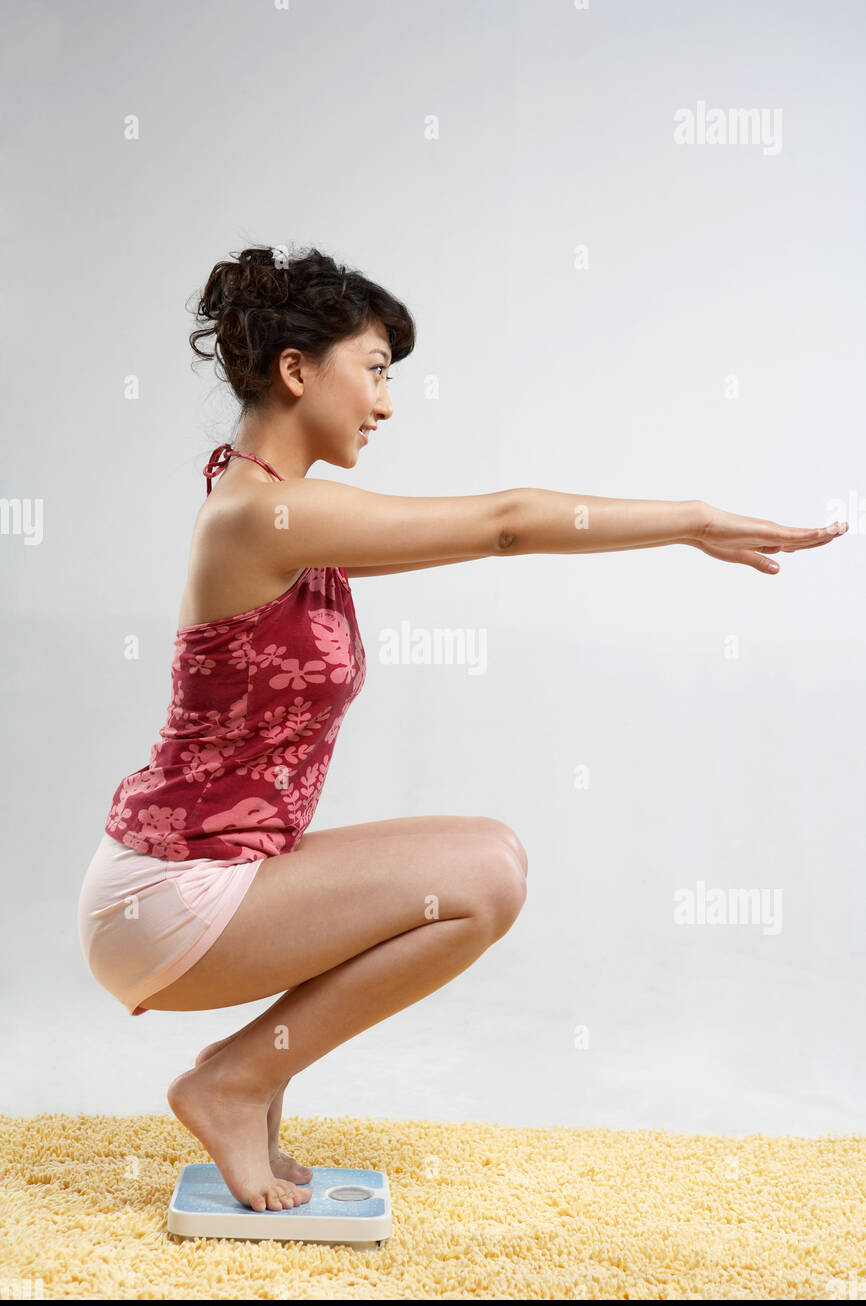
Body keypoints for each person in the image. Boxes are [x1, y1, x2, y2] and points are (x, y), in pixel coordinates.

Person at [76, 243, 848, 1215]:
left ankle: (250, 1080)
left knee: (494, 855)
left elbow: (500, 526)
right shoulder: (263, 514)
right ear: (295, 369)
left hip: (208, 870)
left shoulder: (264, 497)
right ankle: (231, 1080)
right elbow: (503, 523)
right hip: (164, 892)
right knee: (480, 883)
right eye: (375, 370)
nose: (385, 405)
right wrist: (690, 516)